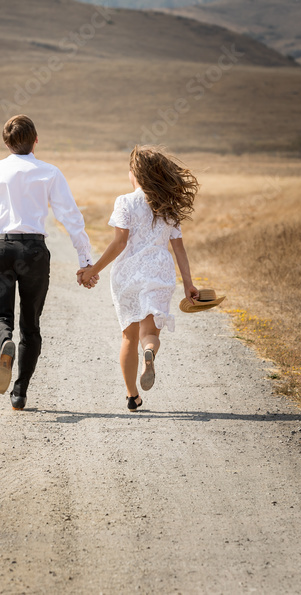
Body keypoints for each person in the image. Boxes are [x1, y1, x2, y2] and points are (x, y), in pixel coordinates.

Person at [0, 115, 98, 410]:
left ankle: (4, 344)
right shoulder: (49, 172)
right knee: (31, 324)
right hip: (34, 250)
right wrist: (86, 260)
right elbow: (70, 217)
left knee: (0, 316)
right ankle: (20, 391)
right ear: (36, 140)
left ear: (5, 141)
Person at [76, 146, 200, 412]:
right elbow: (179, 248)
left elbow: (119, 242)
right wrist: (189, 284)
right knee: (149, 332)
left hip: (128, 273)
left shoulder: (125, 202)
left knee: (128, 337)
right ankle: (150, 353)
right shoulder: (168, 205)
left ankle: (132, 396)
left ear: (136, 174)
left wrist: (93, 269)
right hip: (159, 270)